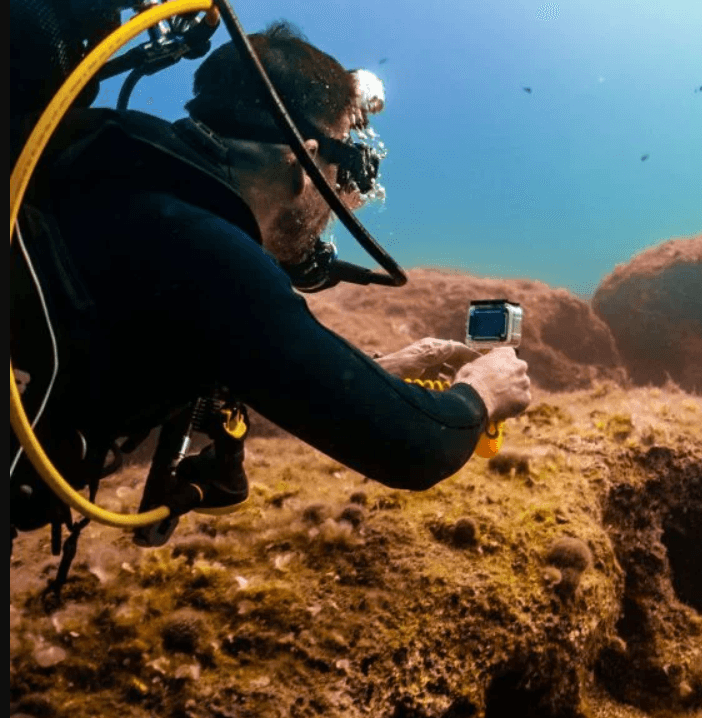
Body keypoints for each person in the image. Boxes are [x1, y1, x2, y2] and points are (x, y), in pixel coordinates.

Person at [11, 21, 531, 537]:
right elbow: (413, 446)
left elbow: (251, 359)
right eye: (342, 170)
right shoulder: (207, 251)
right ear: (303, 164)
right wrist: (481, 392)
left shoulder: (118, 175)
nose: (340, 198)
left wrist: (378, 371)